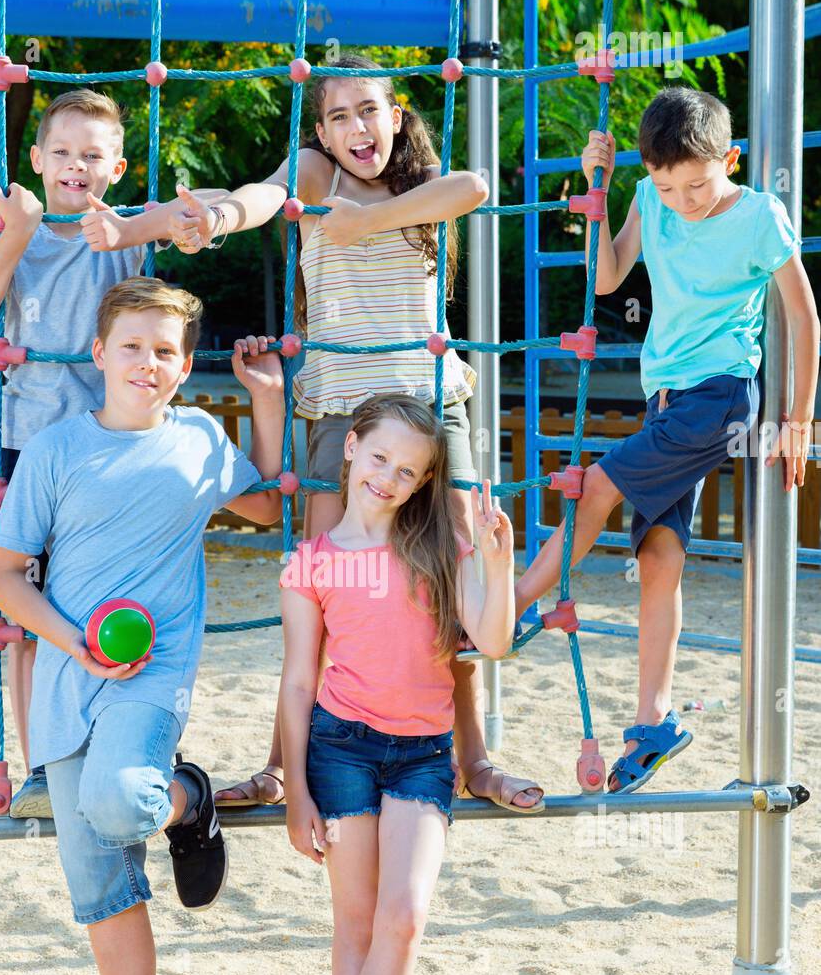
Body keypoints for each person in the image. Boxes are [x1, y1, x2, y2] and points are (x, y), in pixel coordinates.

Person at [84, 53, 544, 816]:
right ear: (322, 135)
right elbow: (259, 199)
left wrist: (368, 220)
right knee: (324, 581)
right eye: (338, 116)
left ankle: (475, 757)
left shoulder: (421, 191)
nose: (357, 127)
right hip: (341, 409)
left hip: (432, 400)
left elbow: (478, 186)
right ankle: (279, 762)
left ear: (397, 117)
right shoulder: (314, 176)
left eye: (370, 110)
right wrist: (219, 218)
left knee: (455, 577)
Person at [0, 277, 284, 975]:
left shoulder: (199, 442)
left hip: (153, 678)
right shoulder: (55, 450)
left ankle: (189, 798)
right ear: (99, 354)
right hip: (70, 678)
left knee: (119, 803)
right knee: (97, 879)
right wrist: (74, 643)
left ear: (186, 367)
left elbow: (264, 506)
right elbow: (4, 577)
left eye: (165, 351)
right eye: (132, 347)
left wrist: (264, 405)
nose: (147, 363)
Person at [515, 87, 819, 792]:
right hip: (667, 403)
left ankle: (517, 601)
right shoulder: (650, 201)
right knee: (657, 558)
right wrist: (600, 189)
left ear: (731, 160)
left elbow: (804, 318)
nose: (683, 199)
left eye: (699, 184)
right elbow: (606, 277)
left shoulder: (756, 216)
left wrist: (798, 415)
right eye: (667, 184)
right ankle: (655, 720)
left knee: (594, 484)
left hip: (720, 398)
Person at [0, 88, 218, 818]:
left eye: (93, 156)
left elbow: (187, 217)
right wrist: (16, 232)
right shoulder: (8, 230)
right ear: (36, 161)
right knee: (32, 612)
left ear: (118, 167)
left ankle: (114, 741)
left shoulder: (119, 230)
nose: (76, 166)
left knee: (100, 602)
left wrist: (134, 230)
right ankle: (42, 767)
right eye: (62, 153)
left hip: (111, 452)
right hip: (34, 445)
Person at [278, 394, 515, 975]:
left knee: (403, 917)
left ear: (421, 483)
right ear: (350, 449)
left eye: (409, 471)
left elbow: (493, 639)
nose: (390, 477)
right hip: (339, 749)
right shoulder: (311, 561)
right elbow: (296, 681)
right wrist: (296, 793)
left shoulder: (438, 550)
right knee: (355, 925)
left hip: (419, 752)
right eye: (379, 457)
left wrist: (496, 561)